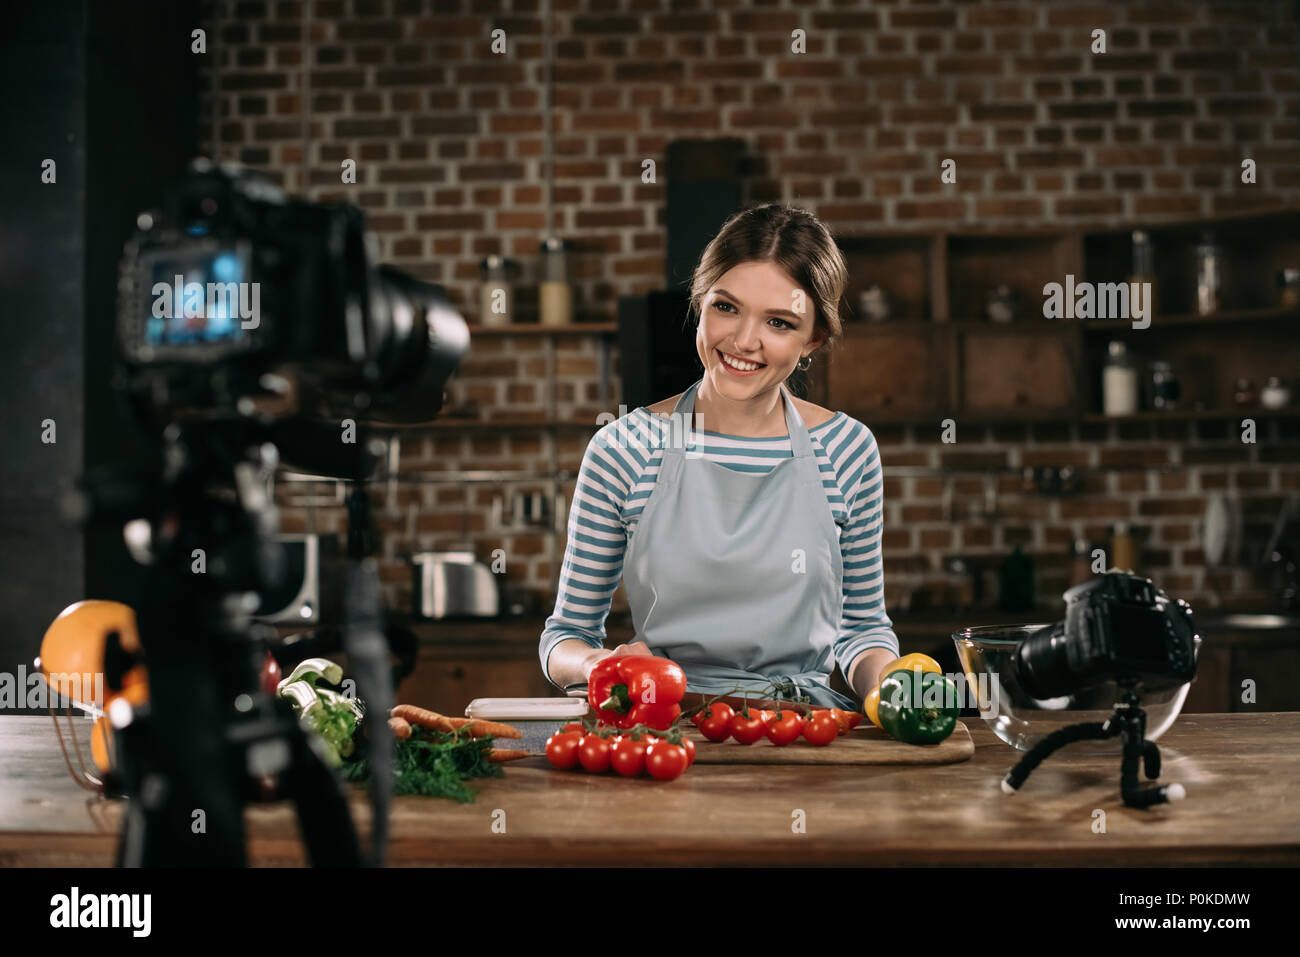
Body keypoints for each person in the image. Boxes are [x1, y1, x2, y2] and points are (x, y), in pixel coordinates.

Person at [539, 203, 900, 714]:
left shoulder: (847, 449)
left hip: (804, 736)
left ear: (813, 338)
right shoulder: (624, 447)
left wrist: (895, 687)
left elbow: (862, 629)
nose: (743, 341)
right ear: (700, 301)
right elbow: (565, 637)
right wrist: (599, 665)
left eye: (778, 322)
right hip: (666, 726)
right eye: (726, 307)